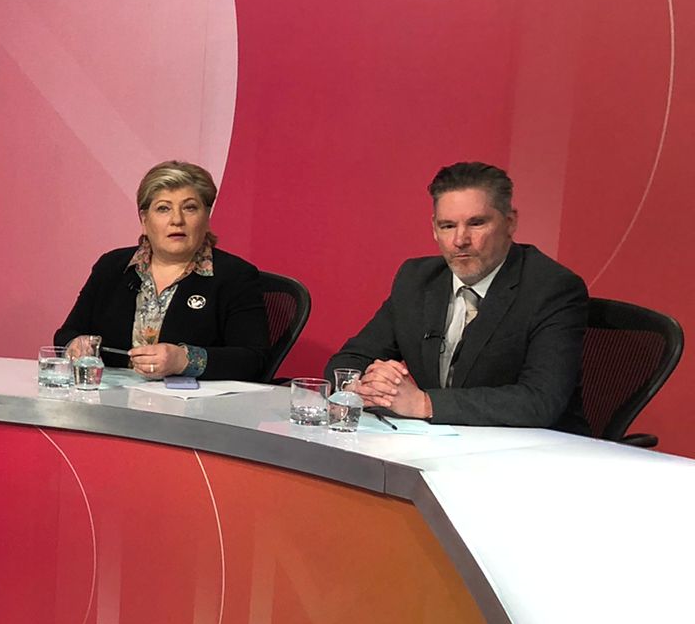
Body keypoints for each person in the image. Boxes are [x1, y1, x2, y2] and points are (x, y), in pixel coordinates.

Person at [327, 161, 587, 430]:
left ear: (510, 222)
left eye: (476, 223)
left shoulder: (552, 289)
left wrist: (425, 404)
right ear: (434, 228)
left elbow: (539, 401)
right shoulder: (416, 280)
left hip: (534, 448)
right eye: (448, 226)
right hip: (435, 441)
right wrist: (363, 387)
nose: (460, 240)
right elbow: (350, 359)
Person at [55, 161, 269, 380]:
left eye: (190, 208)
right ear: (144, 221)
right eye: (163, 208)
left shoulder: (236, 276)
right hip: (113, 396)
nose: (177, 220)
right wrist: (75, 345)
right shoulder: (111, 267)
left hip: (189, 400)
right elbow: (67, 334)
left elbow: (254, 359)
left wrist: (184, 360)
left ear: (206, 218)